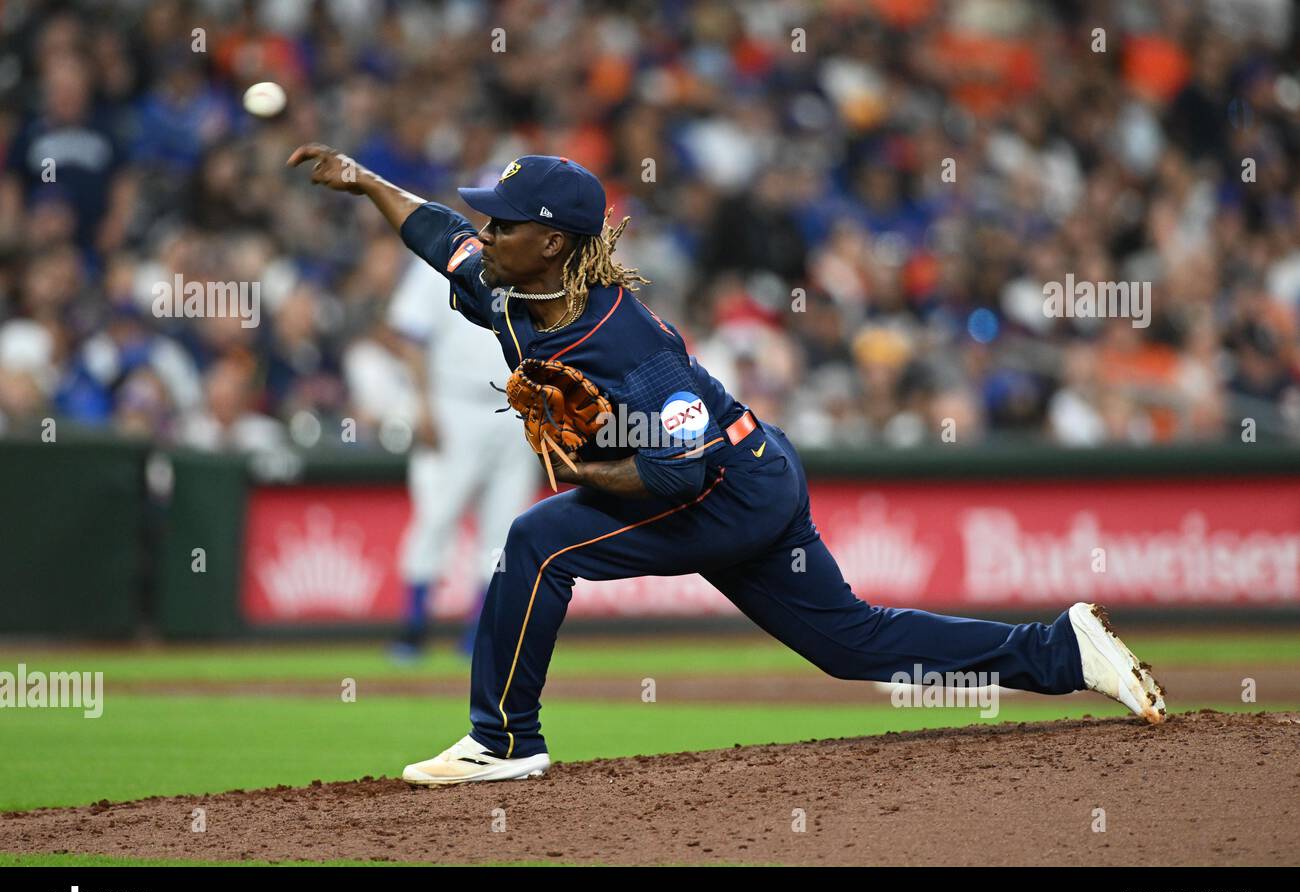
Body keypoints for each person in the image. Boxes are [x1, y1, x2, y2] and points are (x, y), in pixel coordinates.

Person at [287, 145, 1167, 786]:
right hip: (744, 471)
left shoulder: (629, 349)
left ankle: (506, 742)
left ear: (552, 244)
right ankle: (1062, 653)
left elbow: (675, 477)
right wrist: (365, 182)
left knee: (538, 545)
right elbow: (437, 233)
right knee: (847, 642)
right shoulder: (511, 288)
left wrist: (584, 474)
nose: (488, 231)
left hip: (729, 487)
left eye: (504, 223)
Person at [384, 255, 538, 658]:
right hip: (453, 404)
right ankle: (412, 628)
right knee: (436, 516)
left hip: (515, 408)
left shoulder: (535, 266)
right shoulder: (441, 263)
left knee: (503, 531)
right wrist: (421, 404)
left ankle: (478, 634)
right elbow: (410, 333)